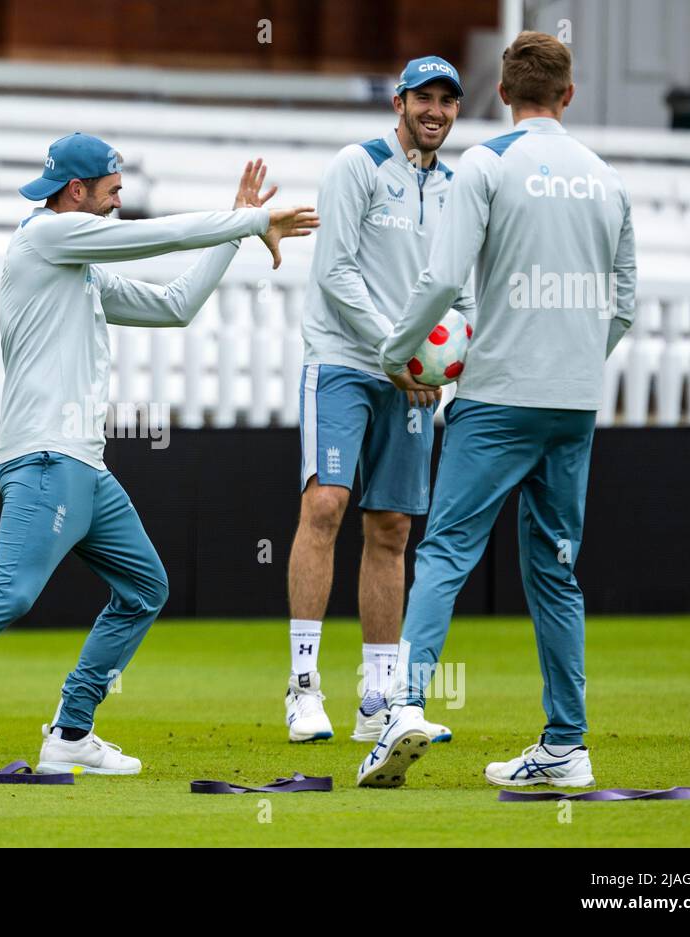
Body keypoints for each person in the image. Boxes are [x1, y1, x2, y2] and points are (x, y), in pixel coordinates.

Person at [0, 132, 318, 775]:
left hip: (85, 465)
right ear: (75, 191)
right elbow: (153, 239)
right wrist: (249, 218)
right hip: (44, 458)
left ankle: (71, 732)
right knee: (12, 593)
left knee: (144, 587)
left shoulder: (76, 267)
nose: (118, 203)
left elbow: (176, 306)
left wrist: (235, 236)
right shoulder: (44, 238)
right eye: (110, 192)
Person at [358, 31, 635, 788]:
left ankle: (407, 705)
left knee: (446, 550)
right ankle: (566, 746)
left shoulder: (486, 163)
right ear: (568, 95)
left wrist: (395, 352)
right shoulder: (607, 178)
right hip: (573, 405)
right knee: (555, 571)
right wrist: (571, 360)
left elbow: (444, 279)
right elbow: (627, 307)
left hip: (496, 396)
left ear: (503, 94)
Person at [284, 56, 471, 745]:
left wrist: (454, 356)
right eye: (424, 96)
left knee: (392, 526)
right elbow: (333, 270)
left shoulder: (457, 185)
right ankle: (303, 686)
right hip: (343, 359)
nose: (436, 110)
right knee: (325, 503)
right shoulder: (355, 165)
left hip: (416, 376)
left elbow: (462, 287)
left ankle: (378, 699)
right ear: (399, 102)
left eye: (448, 100)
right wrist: (398, 353)